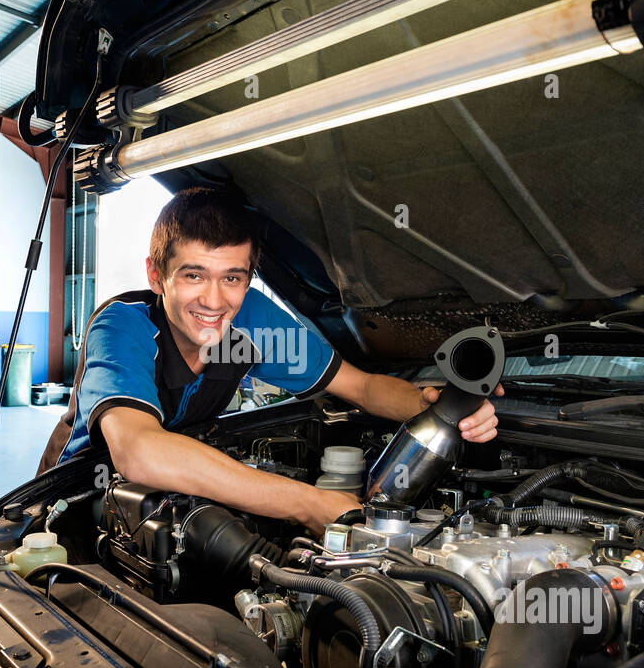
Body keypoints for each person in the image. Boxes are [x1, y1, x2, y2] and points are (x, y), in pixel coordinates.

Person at [38, 187, 502, 533]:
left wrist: (441, 408)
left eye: (233, 278)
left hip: (173, 499)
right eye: (194, 275)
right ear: (158, 277)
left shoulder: (252, 321)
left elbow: (360, 387)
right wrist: (309, 504)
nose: (215, 300)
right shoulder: (123, 327)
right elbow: (140, 452)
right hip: (75, 506)